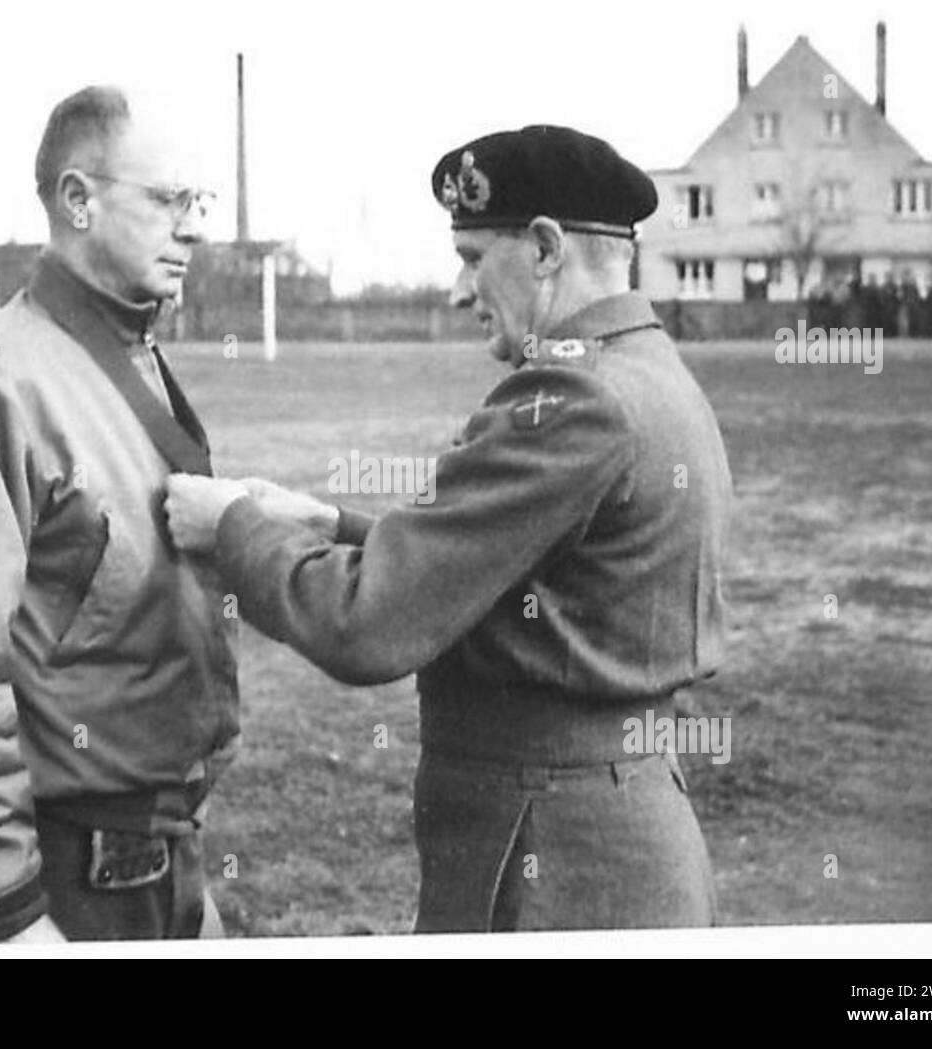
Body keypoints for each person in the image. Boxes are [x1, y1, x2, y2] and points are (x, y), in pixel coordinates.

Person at [164, 125, 733, 932]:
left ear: (543, 248)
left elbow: (370, 623)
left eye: (472, 257)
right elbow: (517, 566)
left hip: (555, 856)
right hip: (611, 828)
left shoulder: (573, 401)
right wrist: (330, 521)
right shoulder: (645, 372)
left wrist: (232, 528)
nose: (461, 290)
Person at [0, 86, 238, 942]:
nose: (193, 226)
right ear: (77, 200)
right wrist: (8, 917)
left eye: (199, 202)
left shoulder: (123, 355)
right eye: (167, 200)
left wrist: (183, 884)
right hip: (58, 892)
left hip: (152, 868)